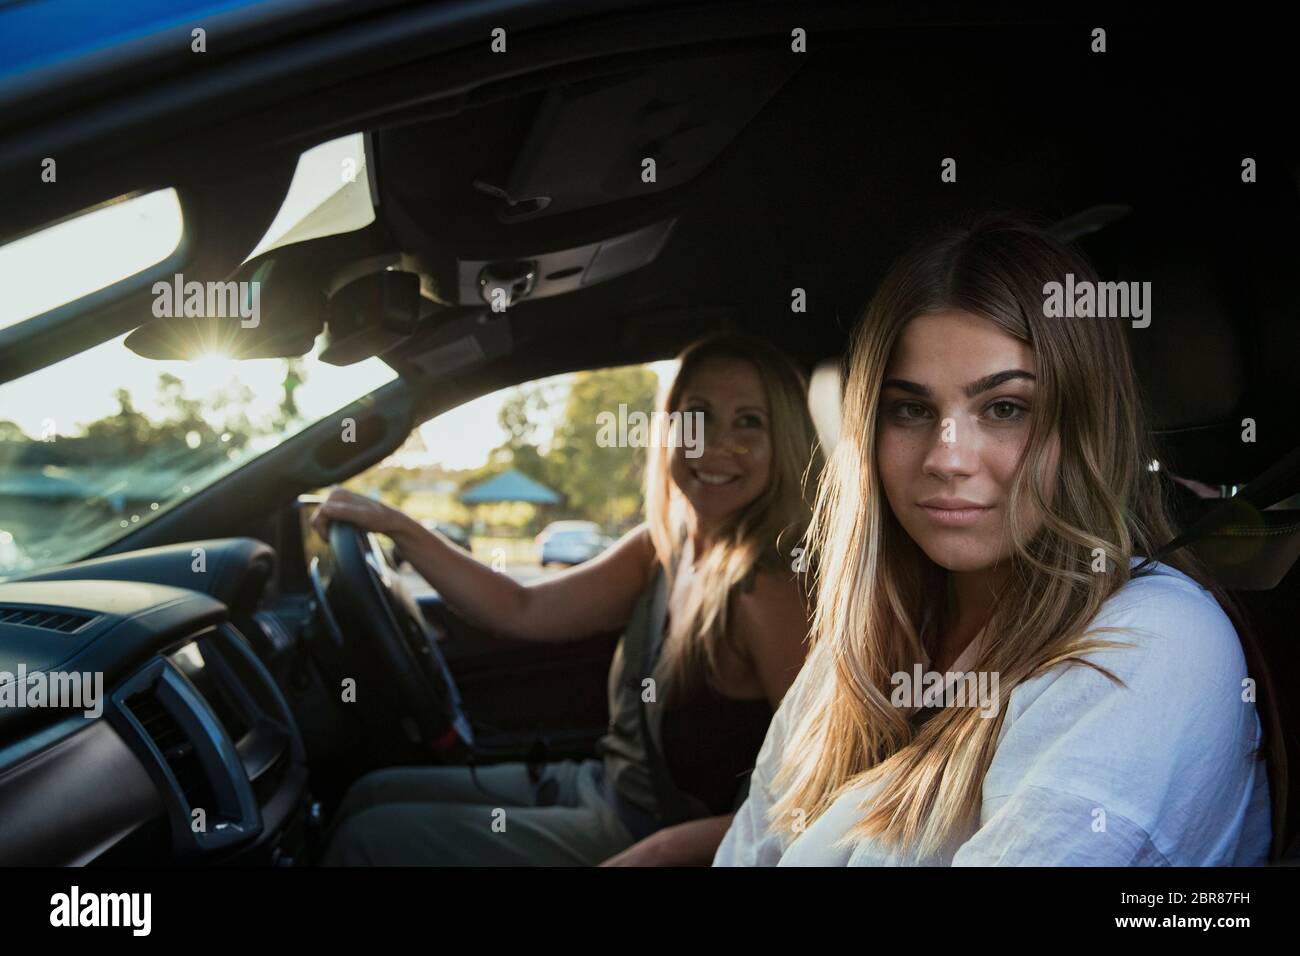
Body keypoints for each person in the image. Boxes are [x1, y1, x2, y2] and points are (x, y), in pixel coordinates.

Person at [715, 216, 1287, 866]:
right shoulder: (854, 651)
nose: (947, 458)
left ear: (1084, 428)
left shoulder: (1154, 643)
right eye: (910, 409)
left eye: (1005, 408)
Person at [318, 334, 824, 865]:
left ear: (783, 440)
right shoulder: (664, 544)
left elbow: (818, 788)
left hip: (656, 835)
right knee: (369, 794)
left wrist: (663, 850)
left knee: (368, 839)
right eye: (697, 416)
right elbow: (521, 608)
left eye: (750, 422)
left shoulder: (766, 589)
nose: (717, 444)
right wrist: (396, 525)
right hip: (606, 787)